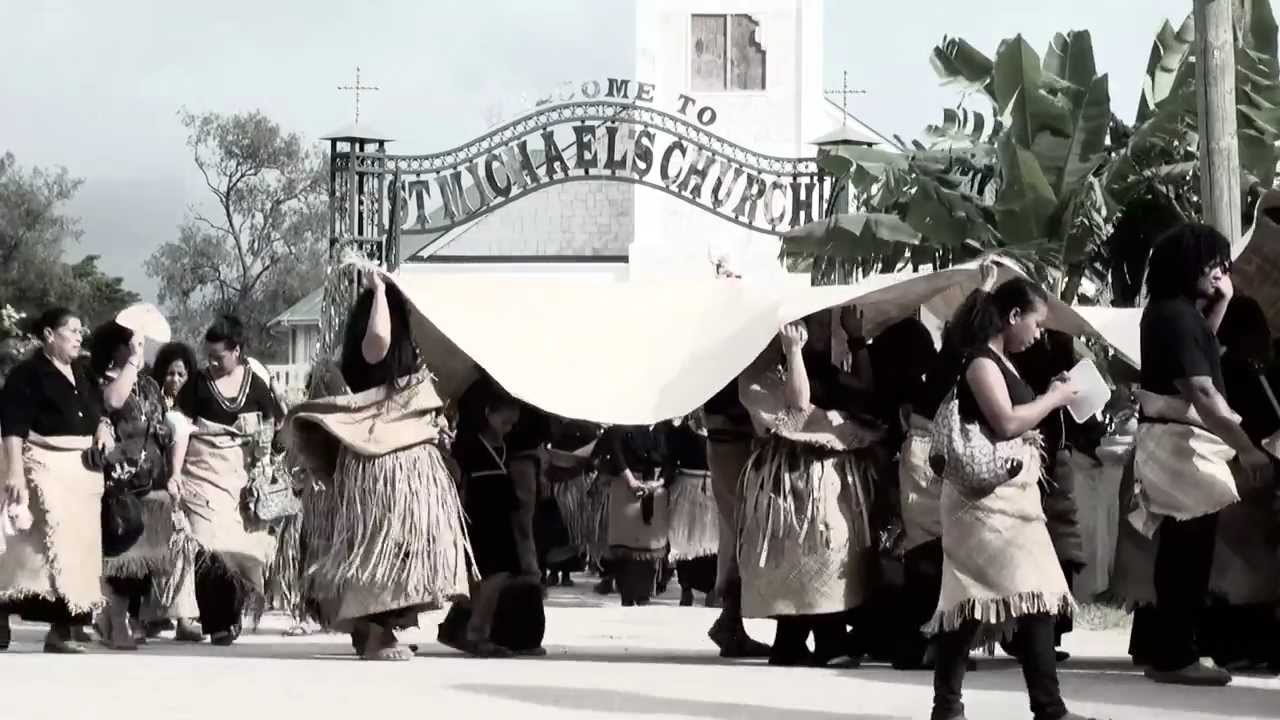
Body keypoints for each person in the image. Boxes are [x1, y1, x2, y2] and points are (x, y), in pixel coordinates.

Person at [923, 277, 1091, 720]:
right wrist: (1053, 399)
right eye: (1035, 323)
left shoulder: (1001, 361)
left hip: (1009, 501)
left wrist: (1048, 394)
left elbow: (1015, 414)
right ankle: (967, 706)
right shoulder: (980, 362)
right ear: (1013, 316)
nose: (1038, 334)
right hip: (982, 502)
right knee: (979, 599)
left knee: (1018, 597)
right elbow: (1007, 423)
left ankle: (1034, 707)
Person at [285, 270, 471, 661]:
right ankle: (373, 632)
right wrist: (381, 291)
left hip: (405, 459)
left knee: (404, 546)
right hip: (378, 461)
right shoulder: (371, 339)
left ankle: (380, 628)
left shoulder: (414, 341)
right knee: (377, 546)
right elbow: (377, 346)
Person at [1132, 223, 1272, 687]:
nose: (1220, 273)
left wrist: (1224, 300)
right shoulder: (1173, 316)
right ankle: (1175, 656)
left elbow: (1202, 351)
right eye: (1212, 264)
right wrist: (1247, 448)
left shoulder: (1176, 314)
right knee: (1186, 555)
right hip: (1178, 445)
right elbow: (1201, 389)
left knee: (1186, 552)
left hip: (1175, 443)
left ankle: (1173, 650)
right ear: (1187, 265)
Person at [737, 319, 882, 667]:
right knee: (801, 551)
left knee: (826, 552)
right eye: (809, 322)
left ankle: (802, 640)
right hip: (792, 480)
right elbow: (798, 408)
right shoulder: (756, 377)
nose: (816, 329)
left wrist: (857, 338)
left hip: (826, 476)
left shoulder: (824, 370)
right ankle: (809, 639)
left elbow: (865, 391)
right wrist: (793, 351)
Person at [0, 307, 112, 653]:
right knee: (37, 553)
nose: (80, 336)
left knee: (78, 550)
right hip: (44, 464)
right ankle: (4, 614)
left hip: (83, 472)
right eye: (72, 330)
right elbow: (13, 425)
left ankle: (62, 630)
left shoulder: (84, 372)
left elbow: (100, 412)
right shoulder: (27, 374)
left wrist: (104, 429)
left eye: (81, 331)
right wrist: (15, 471)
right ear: (49, 335)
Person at [175, 315, 280, 646]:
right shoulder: (198, 383)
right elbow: (180, 428)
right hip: (201, 474)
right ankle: (217, 622)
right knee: (208, 545)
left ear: (236, 351)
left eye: (219, 356)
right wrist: (174, 473)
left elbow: (272, 426)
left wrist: (264, 456)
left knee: (237, 549)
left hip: (239, 480)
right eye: (209, 355)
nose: (212, 362)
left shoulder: (256, 384)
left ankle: (232, 613)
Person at [87, 321, 183, 650]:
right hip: (118, 482)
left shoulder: (150, 385)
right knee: (120, 558)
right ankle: (115, 622)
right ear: (117, 348)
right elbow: (113, 402)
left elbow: (161, 421)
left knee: (142, 563)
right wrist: (130, 364)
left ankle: (126, 619)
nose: (138, 350)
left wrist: (165, 435)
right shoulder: (100, 380)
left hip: (150, 480)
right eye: (132, 343)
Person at [451, 384, 545, 656]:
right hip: (479, 514)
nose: (508, 428)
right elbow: (457, 477)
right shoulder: (468, 444)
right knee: (491, 574)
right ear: (488, 414)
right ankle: (475, 631)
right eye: (505, 422)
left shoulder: (501, 445)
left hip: (500, 513)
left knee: (498, 574)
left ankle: (474, 628)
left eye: (512, 424)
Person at [139, 341, 203, 642]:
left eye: (181, 374)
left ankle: (185, 618)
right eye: (169, 374)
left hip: (192, 485)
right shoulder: (152, 405)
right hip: (157, 486)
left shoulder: (198, 406)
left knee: (184, 551)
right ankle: (154, 615)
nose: (175, 380)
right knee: (157, 551)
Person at [596, 424, 670, 607]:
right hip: (624, 486)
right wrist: (630, 480)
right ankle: (627, 594)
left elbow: (672, 458)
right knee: (624, 548)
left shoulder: (665, 428)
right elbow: (615, 454)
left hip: (655, 489)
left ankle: (644, 593)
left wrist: (659, 482)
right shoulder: (619, 428)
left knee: (650, 547)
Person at [663, 415, 719, 607]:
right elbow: (670, 460)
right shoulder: (681, 432)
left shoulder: (719, 430)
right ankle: (686, 588)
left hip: (713, 491)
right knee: (683, 539)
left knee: (712, 541)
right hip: (686, 489)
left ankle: (712, 588)